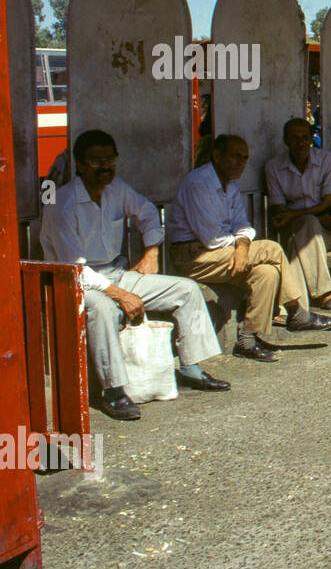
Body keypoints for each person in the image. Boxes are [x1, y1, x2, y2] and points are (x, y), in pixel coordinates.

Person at [42, 130, 228, 421]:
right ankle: (113, 390)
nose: (104, 167)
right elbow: (75, 267)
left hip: (115, 272)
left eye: (109, 159)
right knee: (103, 309)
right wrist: (120, 294)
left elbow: (148, 212)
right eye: (95, 161)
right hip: (75, 282)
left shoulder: (117, 189)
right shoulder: (62, 203)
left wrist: (151, 252)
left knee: (187, 289)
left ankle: (192, 367)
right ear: (78, 164)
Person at [169, 134, 331, 365]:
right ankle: (296, 311)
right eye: (235, 156)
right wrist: (241, 247)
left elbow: (242, 225)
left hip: (222, 253)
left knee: (267, 272)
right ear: (217, 156)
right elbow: (212, 239)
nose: (241, 163)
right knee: (272, 249)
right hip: (193, 256)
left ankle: (248, 338)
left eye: (245, 158)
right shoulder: (198, 184)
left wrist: (243, 248)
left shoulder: (231, 185)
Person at [264, 118, 331, 312]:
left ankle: (289, 308)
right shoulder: (274, 166)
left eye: (304, 137)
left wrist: (298, 216)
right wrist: (302, 217)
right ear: (285, 141)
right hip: (292, 230)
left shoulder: (326, 160)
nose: (300, 143)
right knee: (304, 229)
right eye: (294, 138)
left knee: (306, 229)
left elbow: (329, 200)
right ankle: (321, 294)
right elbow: (278, 209)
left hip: (324, 232)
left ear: (311, 139)